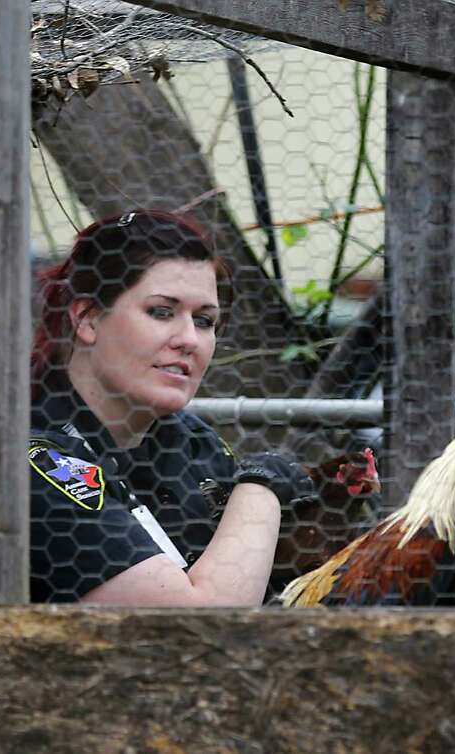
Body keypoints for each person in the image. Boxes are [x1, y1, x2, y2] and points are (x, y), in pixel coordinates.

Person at [28, 209, 313, 606]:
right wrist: (261, 490)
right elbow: (197, 624)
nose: (189, 339)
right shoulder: (33, 461)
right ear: (88, 319)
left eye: (205, 320)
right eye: (161, 312)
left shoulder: (193, 442)